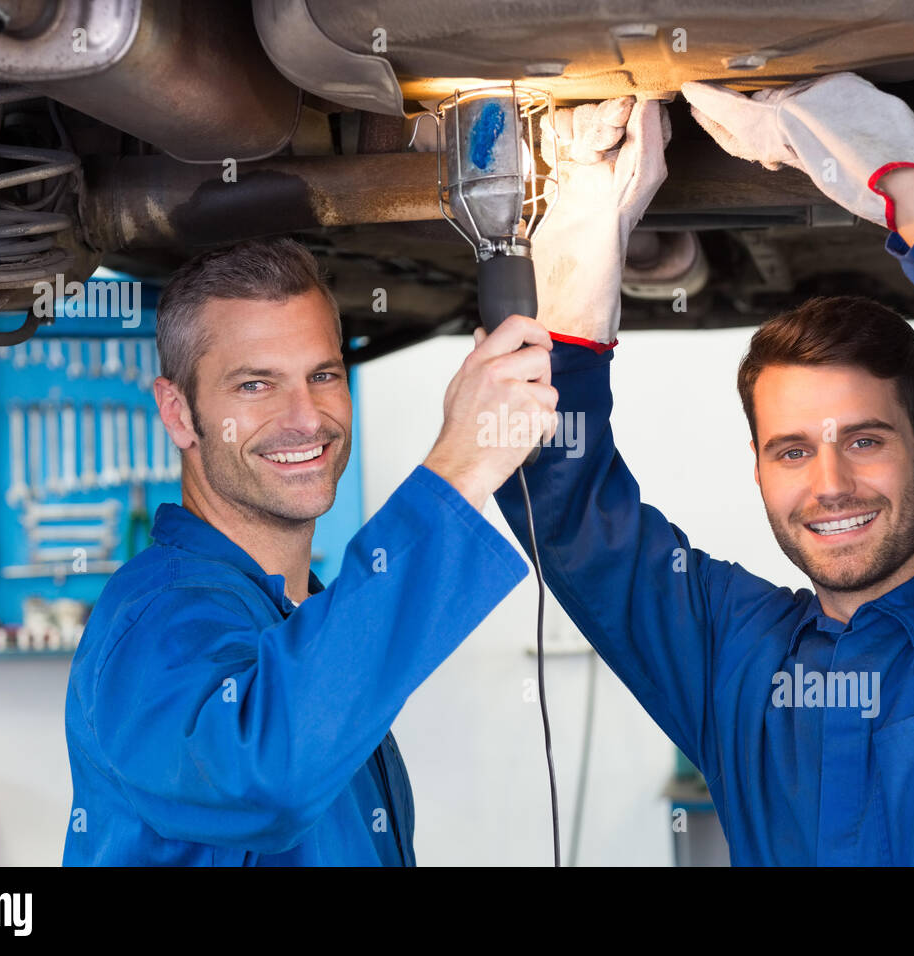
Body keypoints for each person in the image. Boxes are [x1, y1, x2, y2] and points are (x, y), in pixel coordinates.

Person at [495, 76, 914, 864]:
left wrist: (912, 184)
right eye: (793, 449)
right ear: (757, 468)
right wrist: (572, 289)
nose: (830, 484)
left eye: (865, 440)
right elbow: (566, 516)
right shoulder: (736, 662)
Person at [63, 237, 556, 865]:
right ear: (178, 412)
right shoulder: (157, 617)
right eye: (255, 385)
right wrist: (458, 470)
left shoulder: (304, 616)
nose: (305, 417)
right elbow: (262, 779)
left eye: (323, 375)